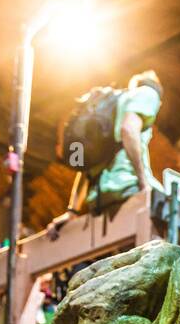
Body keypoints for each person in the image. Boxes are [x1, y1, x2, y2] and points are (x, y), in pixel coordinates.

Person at [63, 70, 165, 217]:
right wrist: (144, 183)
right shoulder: (148, 93)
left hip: (97, 199)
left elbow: (86, 162)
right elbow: (128, 130)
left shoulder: (110, 106)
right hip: (128, 188)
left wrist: (72, 210)